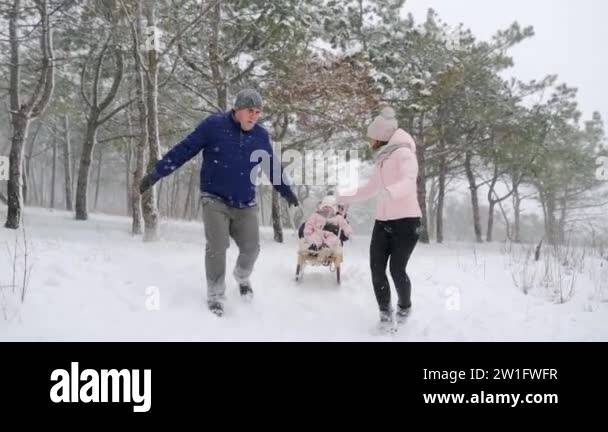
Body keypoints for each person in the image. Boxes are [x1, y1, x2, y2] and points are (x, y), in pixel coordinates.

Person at [139, 89, 299, 317]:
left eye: (257, 112)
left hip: (246, 202)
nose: (253, 116)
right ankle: (215, 294)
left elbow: (271, 168)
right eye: (249, 111)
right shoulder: (214, 126)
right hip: (214, 198)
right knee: (217, 246)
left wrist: (287, 192)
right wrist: (156, 173)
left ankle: (242, 277)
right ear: (237, 109)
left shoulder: (260, 136)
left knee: (252, 248)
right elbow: (184, 149)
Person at [337, 106, 422, 331]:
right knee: (376, 269)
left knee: (396, 269)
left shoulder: (404, 153)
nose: (370, 142)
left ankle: (404, 307)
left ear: (382, 136)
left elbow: (409, 180)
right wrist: (346, 197)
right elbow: (370, 188)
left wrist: (391, 191)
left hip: (406, 221)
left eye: (372, 137)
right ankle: (385, 314)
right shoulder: (383, 158)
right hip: (383, 222)